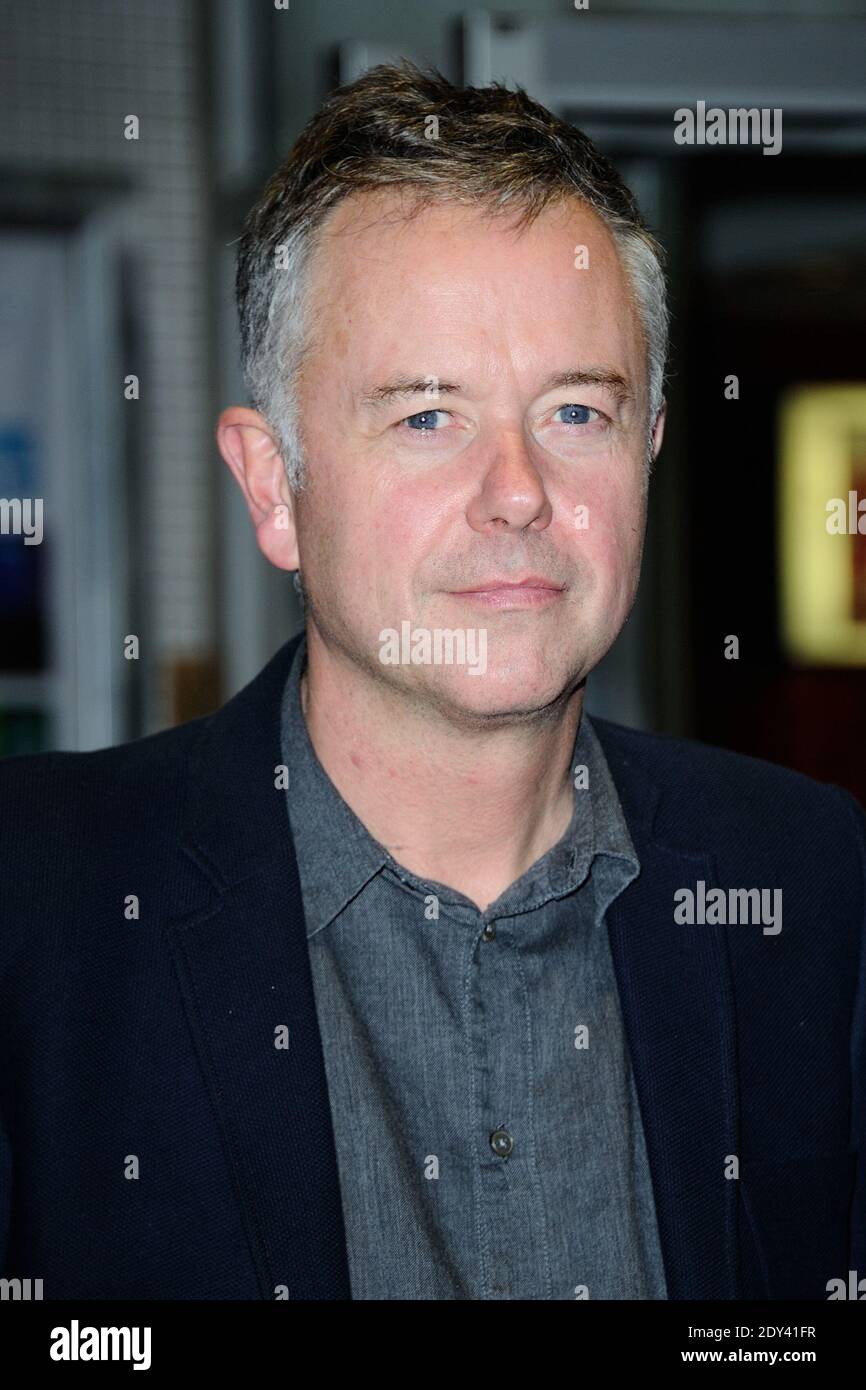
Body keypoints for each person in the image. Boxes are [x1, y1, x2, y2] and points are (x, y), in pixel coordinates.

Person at [0, 59, 863, 1302]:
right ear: (271, 487)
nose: (517, 490)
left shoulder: (807, 881)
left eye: (575, 412)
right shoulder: (37, 912)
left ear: (647, 450)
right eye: (424, 416)